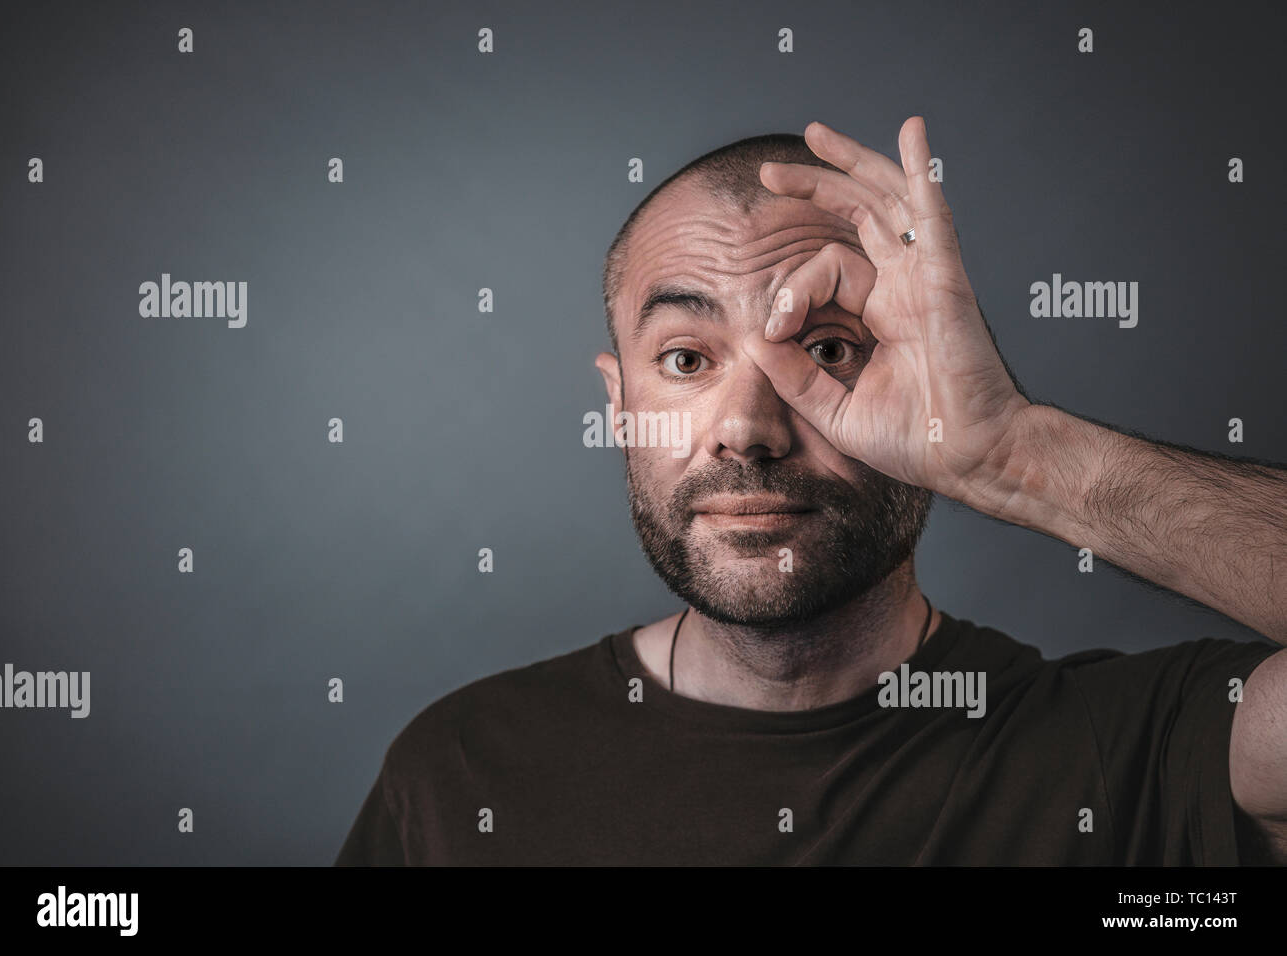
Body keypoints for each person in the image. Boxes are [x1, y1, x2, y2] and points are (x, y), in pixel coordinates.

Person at [335, 118, 1286, 865]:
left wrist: (1013, 454)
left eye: (828, 349)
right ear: (620, 407)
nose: (746, 425)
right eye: (685, 358)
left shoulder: (1129, 757)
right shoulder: (460, 773)